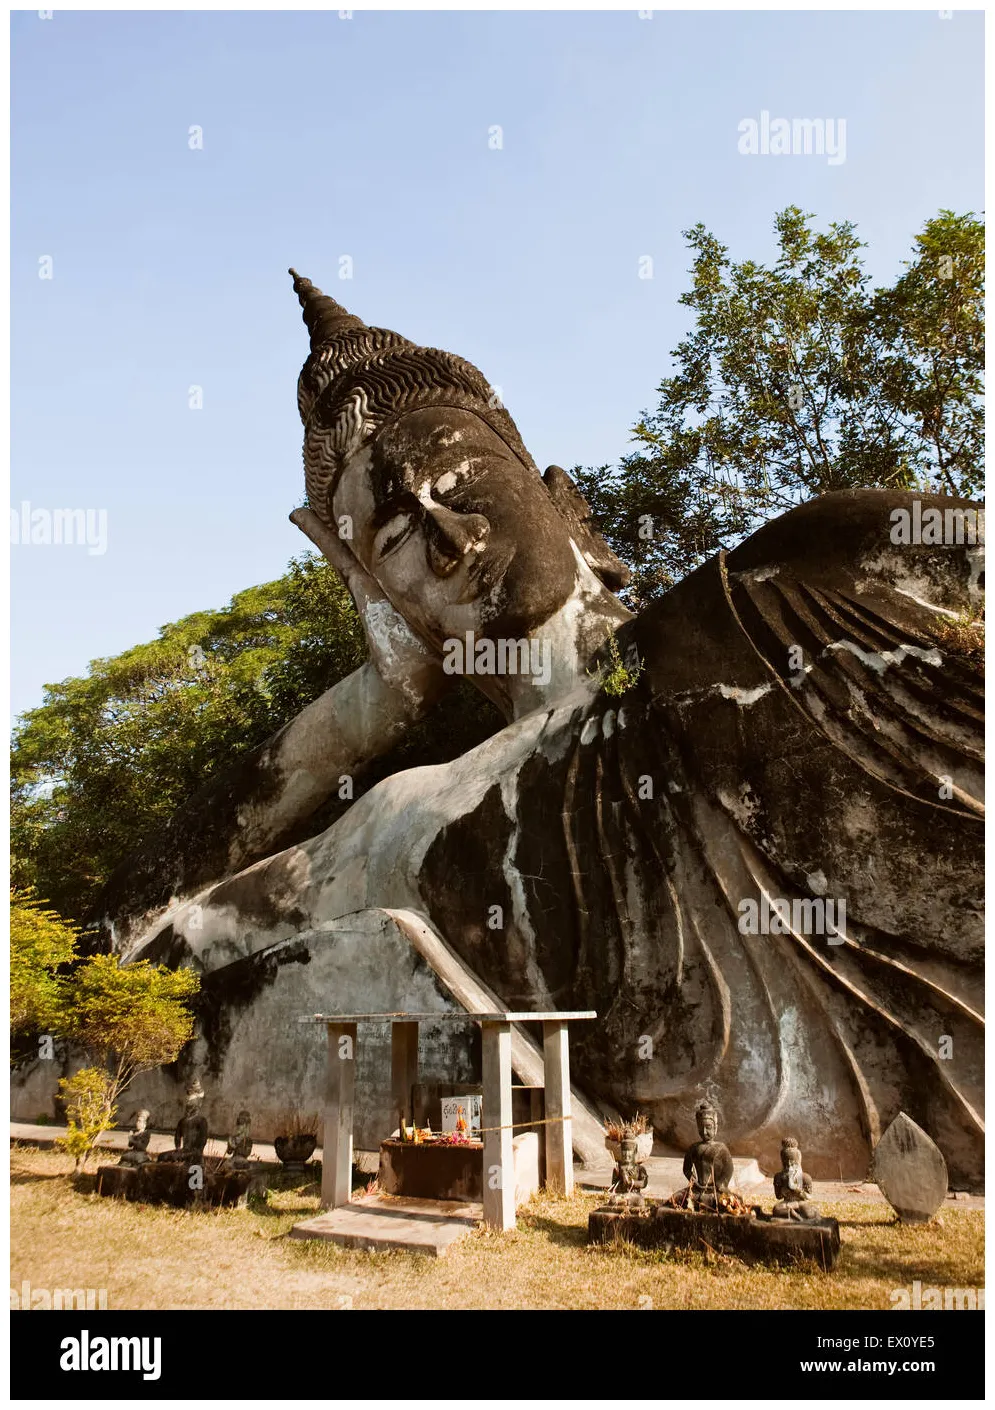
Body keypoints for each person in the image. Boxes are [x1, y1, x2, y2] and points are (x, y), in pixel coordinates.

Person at [112, 273, 984, 1186]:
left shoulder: (788, 588)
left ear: (566, 509)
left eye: (461, 484)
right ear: (385, 601)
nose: (448, 538)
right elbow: (127, 962)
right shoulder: (402, 817)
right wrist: (374, 699)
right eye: (396, 540)